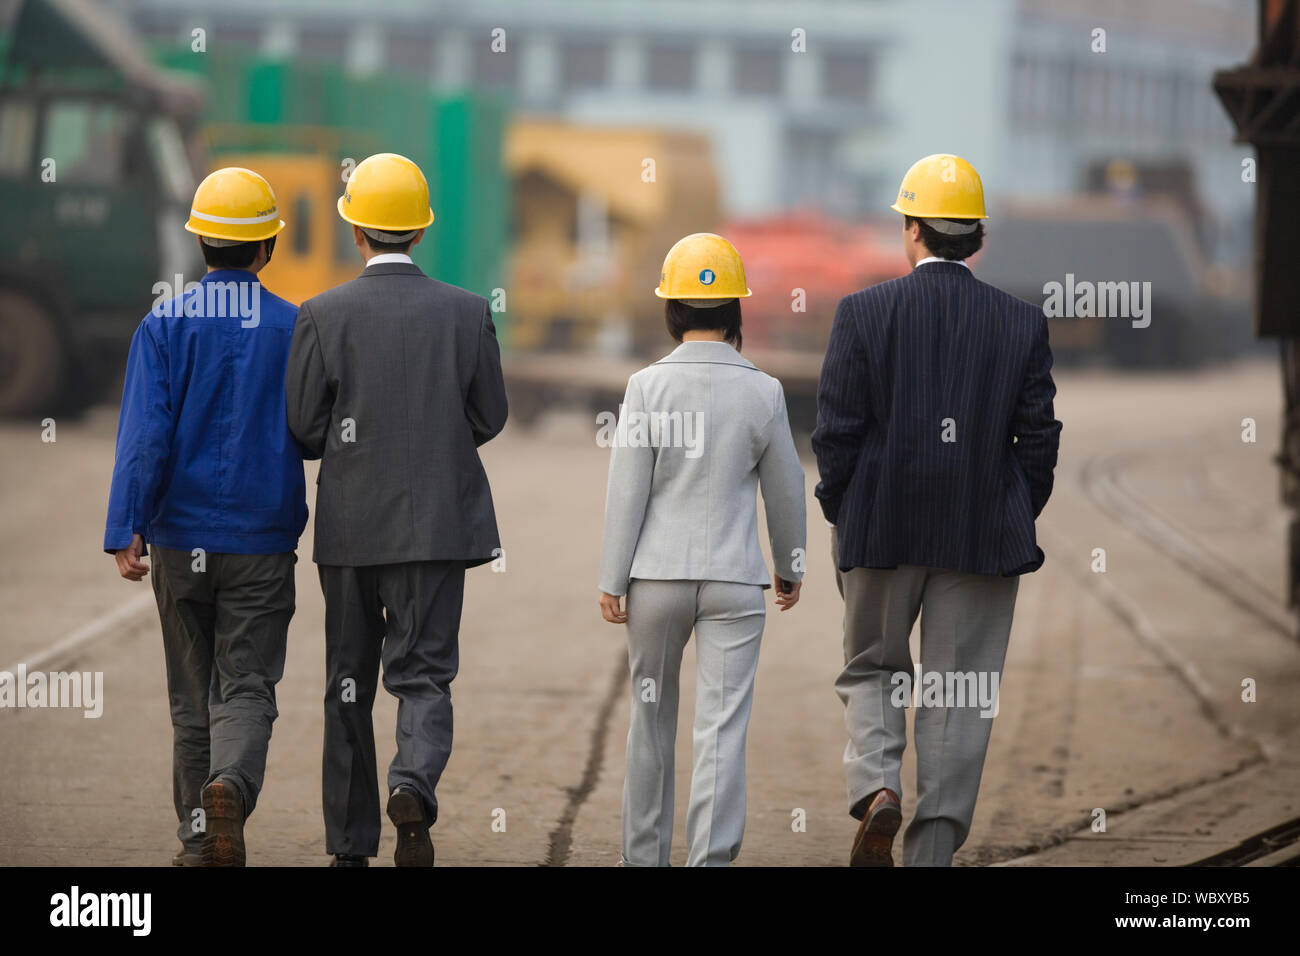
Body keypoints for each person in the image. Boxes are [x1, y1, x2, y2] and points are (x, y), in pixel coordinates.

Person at [812, 153, 1062, 867]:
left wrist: (847, 511)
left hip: (881, 528)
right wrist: (1011, 505)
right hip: (983, 536)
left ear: (912, 229)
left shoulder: (863, 312)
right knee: (960, 693)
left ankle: (878, 790)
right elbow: (1038, 437)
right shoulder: (1020, 321)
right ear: (975, 236)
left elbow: (835, 432)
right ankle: (931, 857)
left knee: (872, 669)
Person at [285, 152, 508, 868]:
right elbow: (491, 415)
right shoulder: (468, 313)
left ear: (356, 232)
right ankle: (411, 786)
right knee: (424, 675)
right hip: (439, 528)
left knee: (347, 685)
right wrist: (437, 440)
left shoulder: (322, 314)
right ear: (419, 233)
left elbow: (304, 428)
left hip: (350, 532)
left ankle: (350, 849)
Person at [104, 167, 306, 867]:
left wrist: (124, 527)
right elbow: (314, 430)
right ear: (268, 248)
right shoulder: (294, 327)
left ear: (200, 245)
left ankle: (199, 839)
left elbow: (144, 438)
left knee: (191, 700)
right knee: (246, 684)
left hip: (178, 539)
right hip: (260, 540)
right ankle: (231, 787)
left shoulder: (163, 324)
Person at [599, 233, 806, 867]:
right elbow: (788, 490)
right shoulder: (764, 393)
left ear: (672, 310)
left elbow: (627, 491)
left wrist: (613, 579)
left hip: (656, 580)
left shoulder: (645, 387)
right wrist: (790, 566)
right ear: (735, 311)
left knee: (650, 725)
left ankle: (644, 859)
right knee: (721, 731)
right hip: (735, 583)